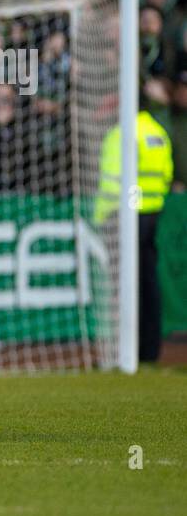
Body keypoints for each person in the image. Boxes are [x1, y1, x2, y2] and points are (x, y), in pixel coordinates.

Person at [96, 88, 175, 363]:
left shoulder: (123, 133)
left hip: (127, 215)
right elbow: (165, 175)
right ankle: (149, 349)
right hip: (152, 213)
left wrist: (114, 213)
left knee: (124, 285)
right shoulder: (157, 132)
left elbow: (114, 181)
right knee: (148, 281)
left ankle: (127, 348)